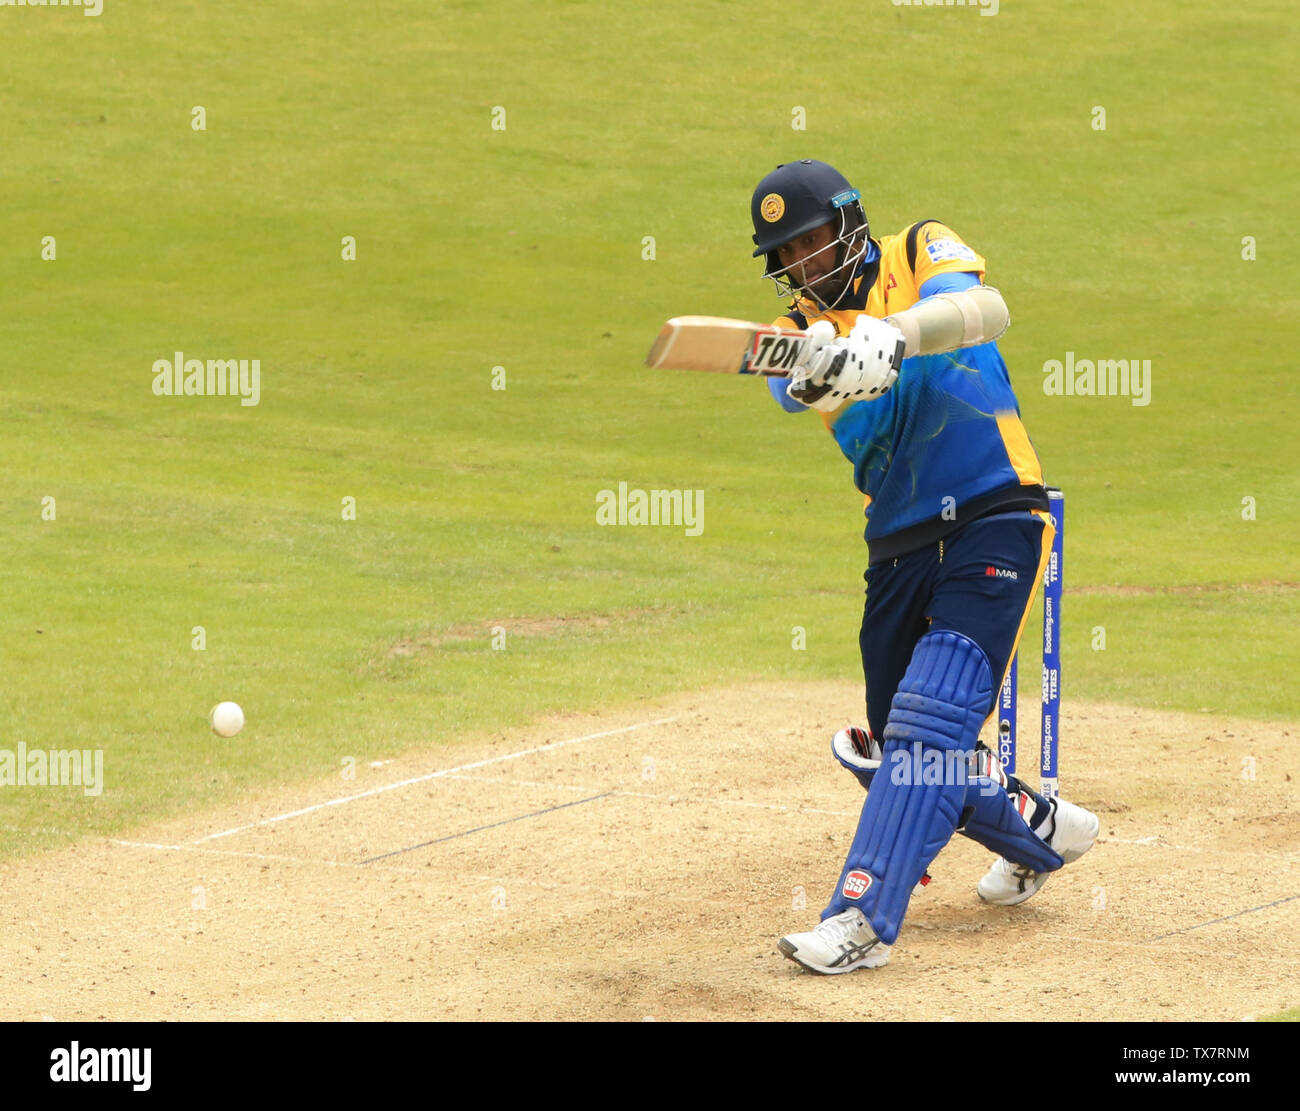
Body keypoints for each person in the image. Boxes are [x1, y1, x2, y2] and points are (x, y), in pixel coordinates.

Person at [748, 159, 1100, 974]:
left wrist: (898, 333)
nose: (805, 262)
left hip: (994, 511)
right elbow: (792, 386)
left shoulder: (918, 249)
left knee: (928, 724)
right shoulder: (801, 338)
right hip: (898, 544)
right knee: (907, 749)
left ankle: (859, 921)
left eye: (813, 240)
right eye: (788, 254)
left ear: (850, 222)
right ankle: (1039, 830)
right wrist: (825, 361)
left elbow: (988, 308)